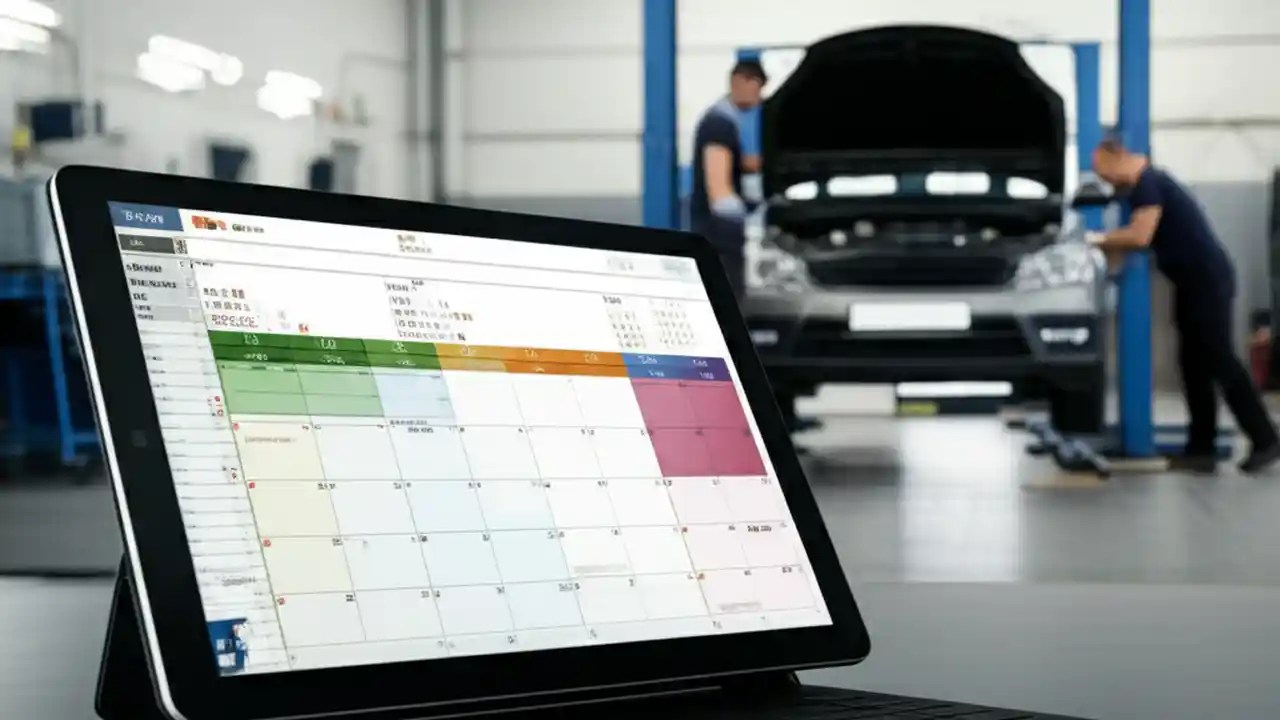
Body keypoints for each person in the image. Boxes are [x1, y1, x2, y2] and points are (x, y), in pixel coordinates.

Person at [1089, 133, 1280, 474]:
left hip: (1206, 280)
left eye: (1101, 170)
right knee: (1193, 364)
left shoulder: (1148, 183)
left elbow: (1139, 236)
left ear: (1116, 157)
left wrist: (1095, 240)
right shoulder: (1141, 188)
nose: (1102, 178)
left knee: (1220, 358)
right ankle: (1201, 448)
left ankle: (1266, 438)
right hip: (1192, 282)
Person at [690, 59, 768, 300]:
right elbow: (719, 191)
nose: (759, 97)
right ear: (741, 81)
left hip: (715, 230)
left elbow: (731, 162)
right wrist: (750, 214)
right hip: (720, 234)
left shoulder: (722, 121)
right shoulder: (718, 124)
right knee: (729, 301)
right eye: (758, 87)